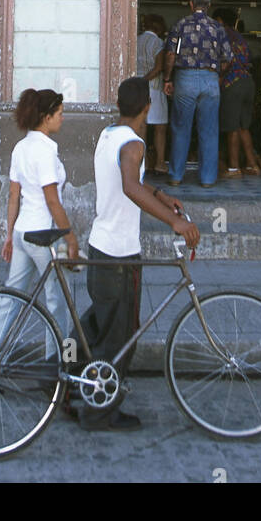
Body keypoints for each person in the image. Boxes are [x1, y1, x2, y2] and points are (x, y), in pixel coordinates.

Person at [80, 76, 200, 431]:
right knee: (122, 335)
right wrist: (174, 223)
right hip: (119, 254)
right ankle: (100, 413)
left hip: (99, 245)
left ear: (119, 106)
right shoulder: (134, 144)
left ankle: (64, 385)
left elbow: (129, 180)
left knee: (98, 326)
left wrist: (160, 194)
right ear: (147, 107)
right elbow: (130, 186)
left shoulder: (109, 135)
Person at [0, 88, 77, 389]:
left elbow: (13, 195)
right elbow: (52, 200)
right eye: (59, 113)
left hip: (21, 235)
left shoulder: (21, 147)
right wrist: (70, 237)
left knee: (9, 301)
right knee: (60, 305)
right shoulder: (46, 150)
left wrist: (9, 235)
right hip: (44, 237)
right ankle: (58, 372)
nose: (62, 118)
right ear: (46, 117)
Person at [162, 0, 233, 187]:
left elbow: (170, 55)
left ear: (191, 4)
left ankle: (176, 176)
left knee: (181, 128)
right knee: (209, 131)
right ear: (209, 6)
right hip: (210, 80)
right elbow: (228, 58)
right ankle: (208, 179)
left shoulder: (180, 25)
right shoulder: (218, 28)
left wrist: (167, 79)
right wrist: (216, 75)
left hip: (185, 78)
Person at [216, 7, 260, 178]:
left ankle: (234, 169)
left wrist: (219, 78)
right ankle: (252, 165)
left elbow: (225, 62)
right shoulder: (240, 37)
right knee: (244, 127)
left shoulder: (221, 35)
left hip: (232, 83)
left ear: (220, 20)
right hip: (247, 82)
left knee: (232, 128)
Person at [136, 13, 168, 174]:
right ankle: (160, 163)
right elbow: (158, 68)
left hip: (137, 88)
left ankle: (143, 162)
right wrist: (146, 80)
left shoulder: (135, 40)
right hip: (154, 88)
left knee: (141, 126)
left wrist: (139, 81)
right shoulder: (158, 43)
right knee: (160, 127)